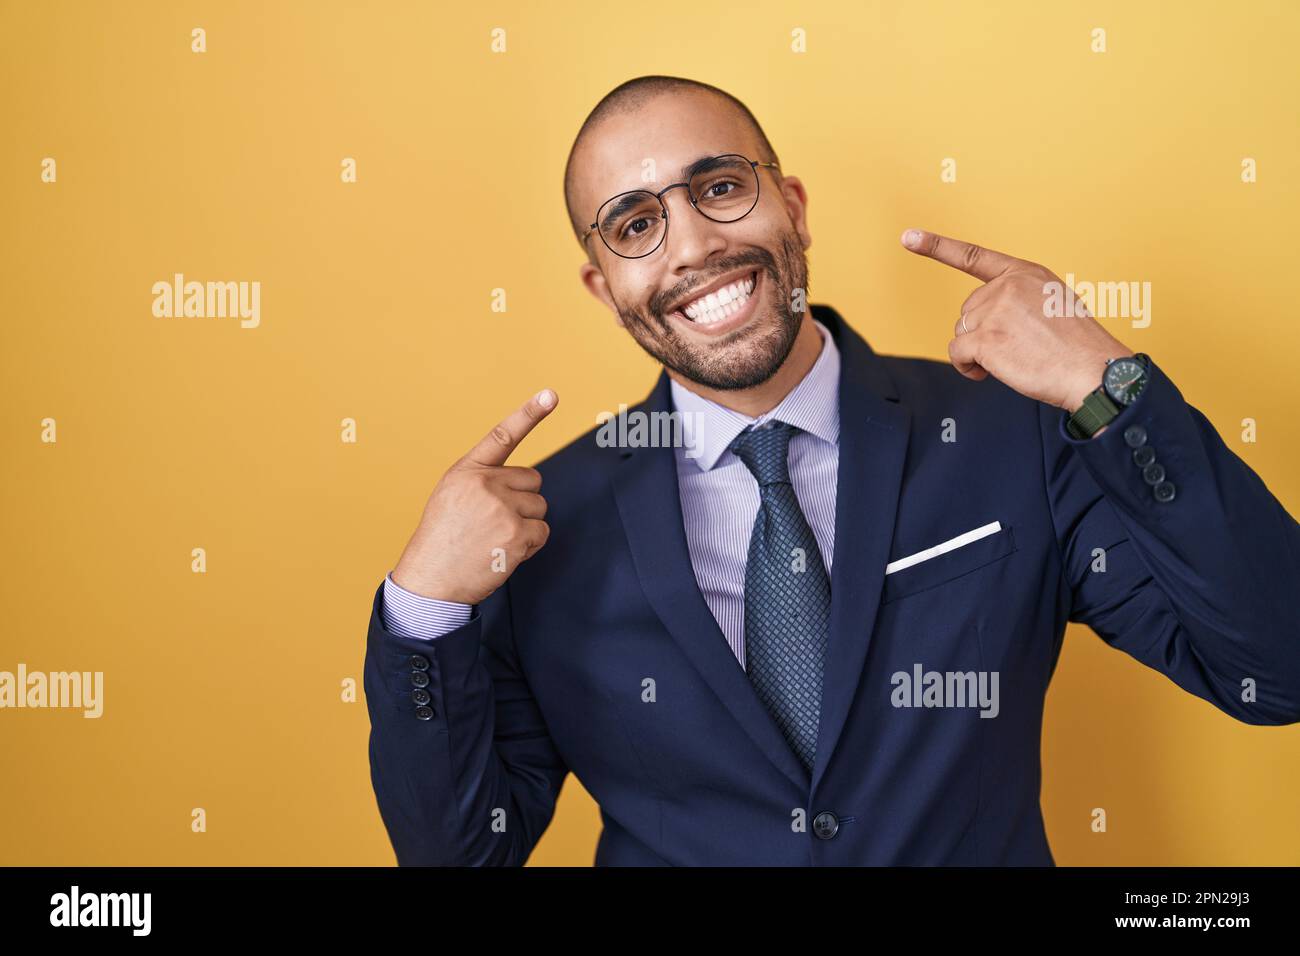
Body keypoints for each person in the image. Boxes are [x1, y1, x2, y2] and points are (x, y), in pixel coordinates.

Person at [362, 75, 1300, 866]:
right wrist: (422, 609)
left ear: (793, 207)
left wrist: (1111, 387)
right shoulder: (542, 531)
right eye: (634, 224)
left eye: (721, 187)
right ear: (605, 288)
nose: (692, 246)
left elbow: (1275, 670)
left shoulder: (1013, 435)